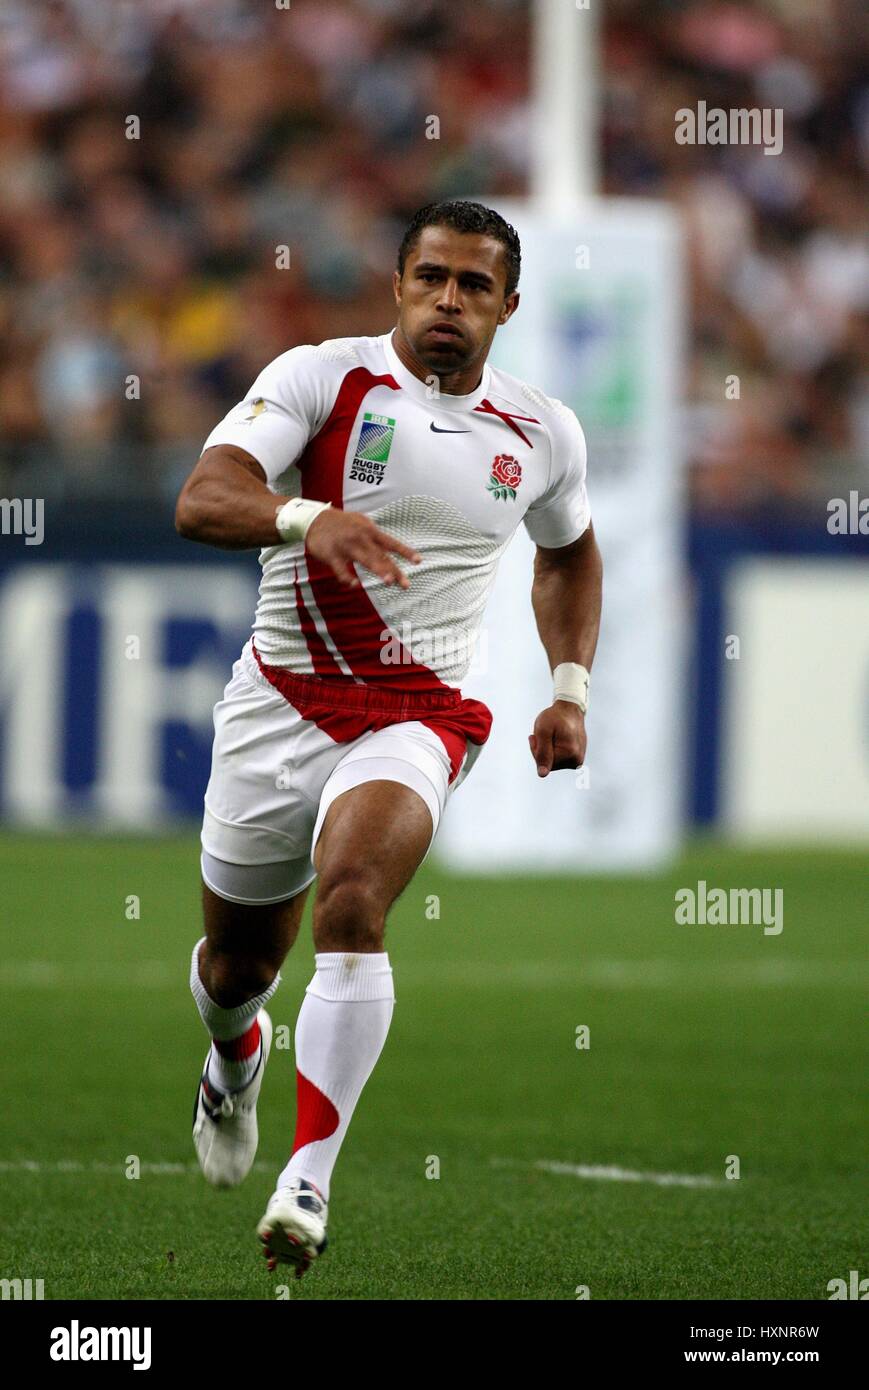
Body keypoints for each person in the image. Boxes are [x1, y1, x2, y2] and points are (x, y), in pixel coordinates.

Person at [175, 200, 603, 1278]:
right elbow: (203, 496)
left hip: (415, 715)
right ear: (397, 284)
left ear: (508, 304)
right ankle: (234, 1061)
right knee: (236, 967)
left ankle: (307, 1178)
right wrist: (304, 517)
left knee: (354, 899)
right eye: (430, 278)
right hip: (277, 706)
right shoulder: (322, 377)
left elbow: (568, 553)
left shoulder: (541, 432)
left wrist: (566, 687)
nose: (447, 301)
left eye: (471, 285)